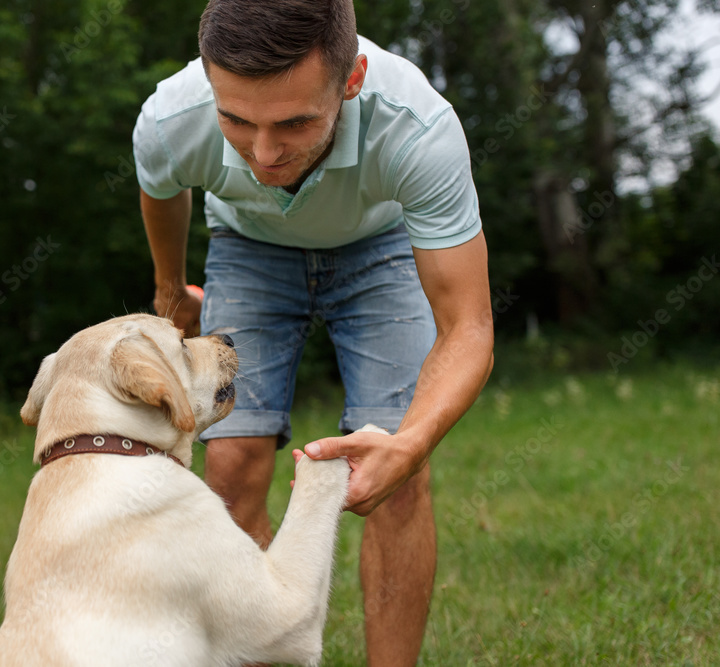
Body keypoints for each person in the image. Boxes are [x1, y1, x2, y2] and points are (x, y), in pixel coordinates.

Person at [133, 0, 493, 664]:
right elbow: (162, 188)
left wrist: (410, 442)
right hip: (249, 244)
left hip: (380, 243)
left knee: (398, 470)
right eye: (237, 121)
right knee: (232, 463)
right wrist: (167, 290)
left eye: (295, 122)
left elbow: (468, 325)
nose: (265, 153)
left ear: (350, 80)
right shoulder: (169, 120)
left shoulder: (418, 128)